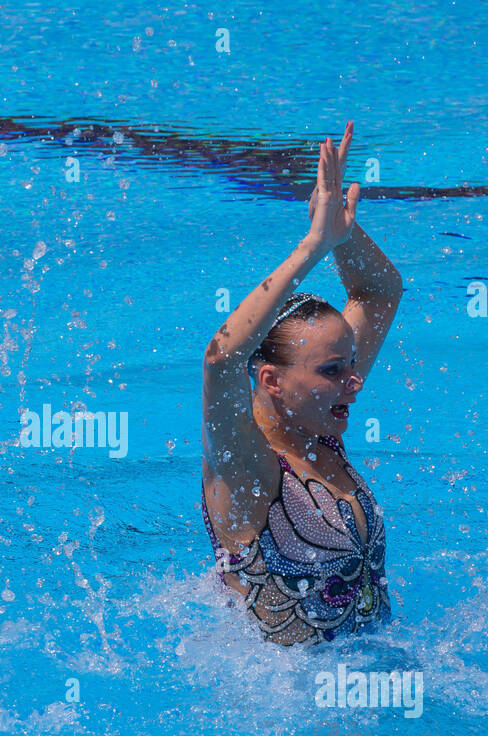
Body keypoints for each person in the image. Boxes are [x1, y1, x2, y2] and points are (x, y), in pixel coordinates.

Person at [201, 122, 403, 645]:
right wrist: (310, 248)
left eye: (351, 363)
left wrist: (340, 231)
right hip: (293, 708)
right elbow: (222, 358)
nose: (354, 383)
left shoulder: (316, 428)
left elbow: (378, 290)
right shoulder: (246, 467)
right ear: (271, 380)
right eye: (332, 371)